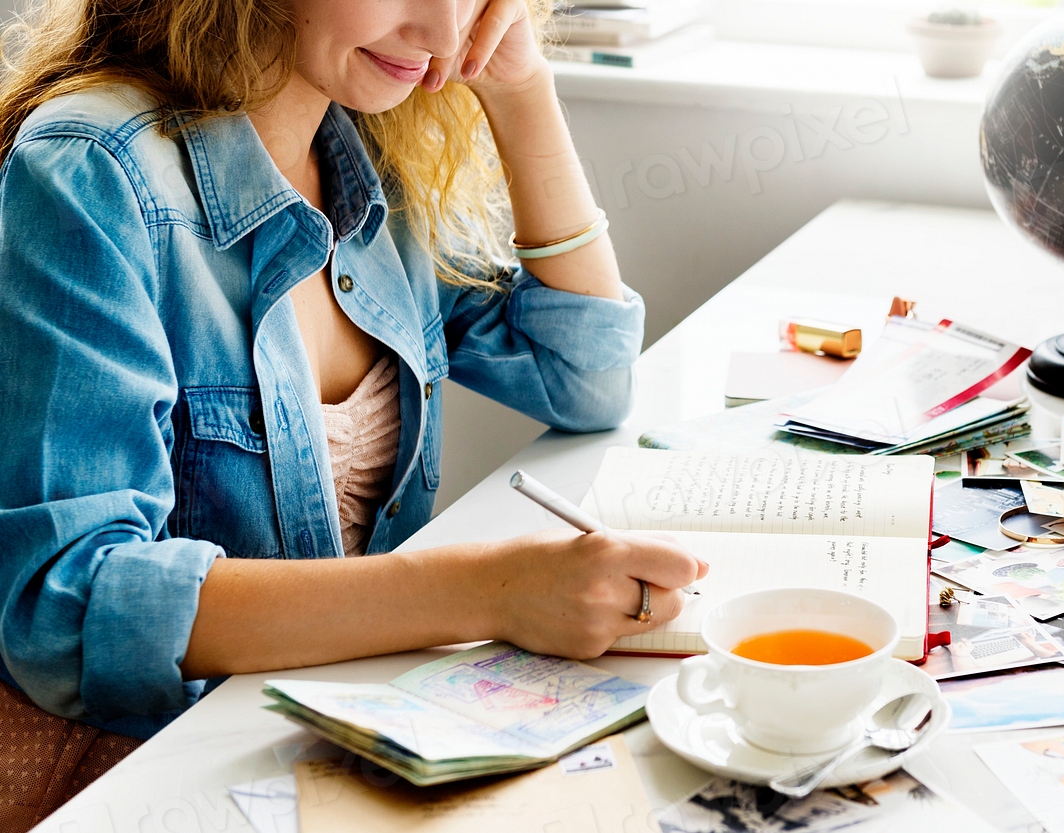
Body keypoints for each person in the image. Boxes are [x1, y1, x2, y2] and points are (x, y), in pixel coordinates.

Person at [0, 0, 706, 826]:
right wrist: (494, 590)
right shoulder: (91, 173)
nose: (444, 36)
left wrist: (520, 85)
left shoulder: (361, 152)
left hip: (333, 725)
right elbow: (65, 604)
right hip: (147, 764)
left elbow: (586, 377)